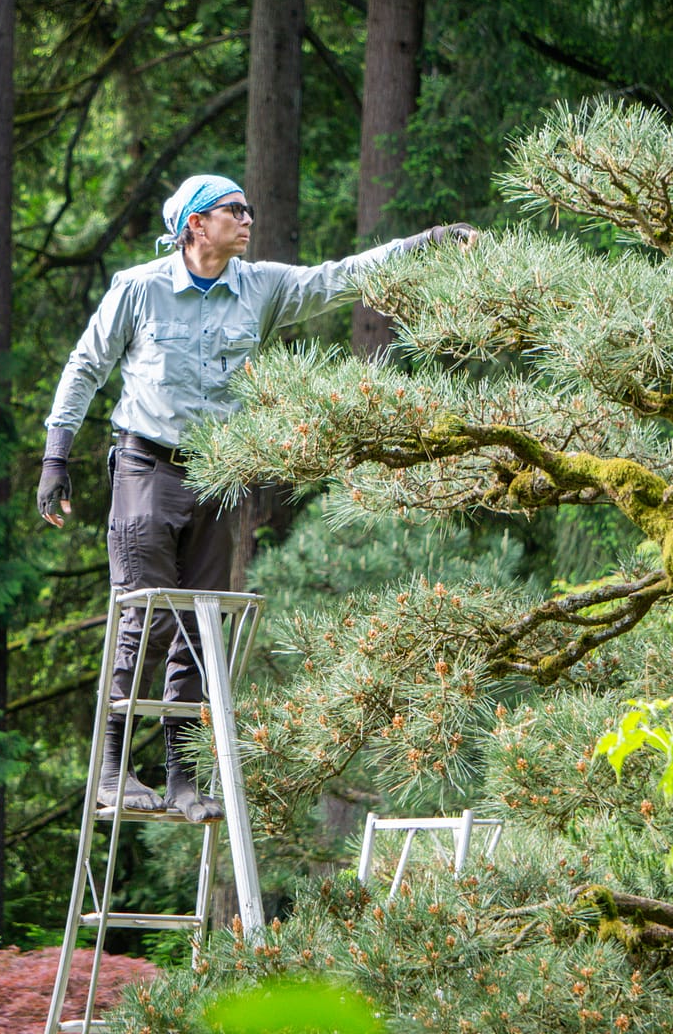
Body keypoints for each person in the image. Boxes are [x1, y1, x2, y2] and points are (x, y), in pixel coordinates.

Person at [38, 173, 474, 821]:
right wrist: (56, 453)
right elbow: (87, 364)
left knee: (198, 627)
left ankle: (184, 780)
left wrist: (428, 243)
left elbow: (339, 277)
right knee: (148, 617)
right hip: (144, 466)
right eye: (232, 211)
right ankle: (111, 770)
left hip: (218, 473)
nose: (247, 219)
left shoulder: (261, 285)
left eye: (249, 208)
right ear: (194, 224)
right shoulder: (140, 288)